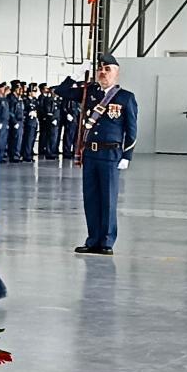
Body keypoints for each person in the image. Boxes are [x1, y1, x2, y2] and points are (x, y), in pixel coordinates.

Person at [55, 54, 137, 256]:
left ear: (116, 73)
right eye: (100, 69)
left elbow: (132, 129)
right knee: (91, 199)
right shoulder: (89, 92)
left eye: (108, 69)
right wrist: (74, 75)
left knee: (108, 199)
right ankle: (92, 240)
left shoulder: (125, 97)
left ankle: (107, 241)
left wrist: (127, 155)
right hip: (90, 154)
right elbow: (61, 91)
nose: (103, 72)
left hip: (111, 154)